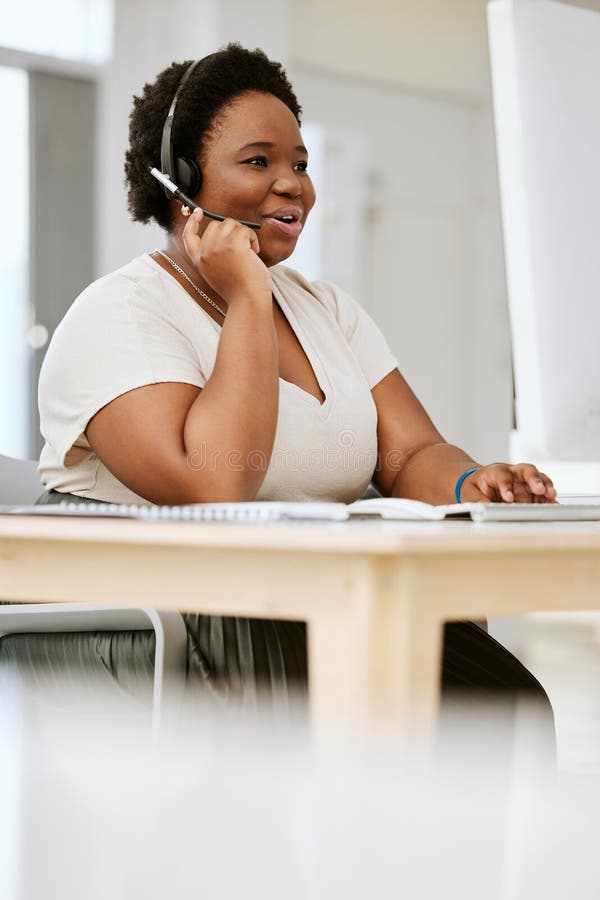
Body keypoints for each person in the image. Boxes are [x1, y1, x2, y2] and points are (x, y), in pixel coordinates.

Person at [36, 44, 556, 717]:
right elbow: (215, 484)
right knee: (371, 718)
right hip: (154, 621)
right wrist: (249, 300)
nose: (294, 185)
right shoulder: (119, 315)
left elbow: (410, 455)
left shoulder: (326, 309)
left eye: (301, 165)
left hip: (288, 607)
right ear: (181, 180)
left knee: (505, 707)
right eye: (260, 162)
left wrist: (470, 483)